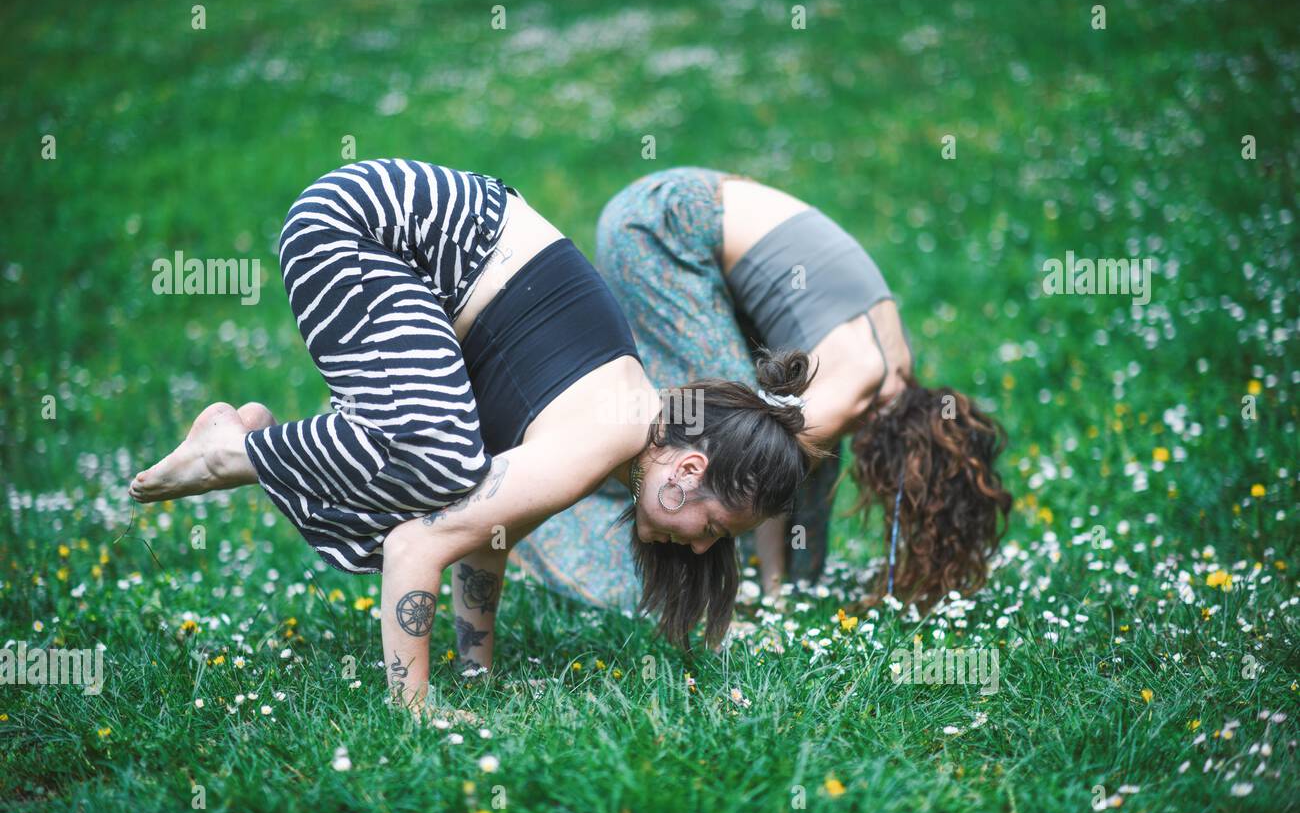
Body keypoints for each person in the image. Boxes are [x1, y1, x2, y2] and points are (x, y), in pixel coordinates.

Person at [129, 159, 822, 711]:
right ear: (688, 468)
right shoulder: (599, 445)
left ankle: (243, 441)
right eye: (714, 525)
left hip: (404, 240)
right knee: (434, 478)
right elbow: (419, 545)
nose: (701, 544)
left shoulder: (620, 423)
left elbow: (487, 534)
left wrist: (477, 672)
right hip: (362, 225)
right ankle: (233, 450)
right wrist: (415, 708)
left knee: (426, 500)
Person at [512, 167, 1012, 614]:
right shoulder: (854, 390)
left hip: (693, 204)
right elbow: (756, 469)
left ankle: (761, 583)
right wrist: (770, 594)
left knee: (799, 549)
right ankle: (525, 502)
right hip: (663, 230)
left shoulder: (890, 365)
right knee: (705, 443)